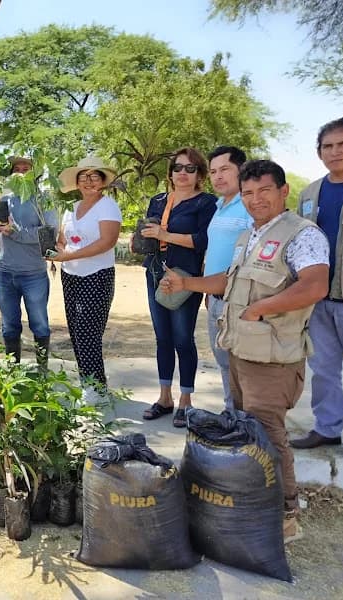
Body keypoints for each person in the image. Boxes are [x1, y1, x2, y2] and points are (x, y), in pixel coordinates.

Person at [161, 159, 329, 543]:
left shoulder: (303, 234)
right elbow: (228, 281)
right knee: (244, 430)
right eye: (249, 192)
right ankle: (254, 501)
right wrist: (187, 282)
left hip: (273, 358)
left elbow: (315, 285)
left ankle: (287, 514)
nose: (255, 200)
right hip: (240, 349)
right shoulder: (250, 235)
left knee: (268, 433)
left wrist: (260, 309)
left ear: (283, 192)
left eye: (264, 191)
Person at [290, 117, 343, 464]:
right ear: (320, 152)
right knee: (322, 368)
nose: (335, 152)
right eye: (328, 146)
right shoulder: (310, 193)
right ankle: (326, 427)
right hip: (319, 298)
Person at [140, 148, 217, 427]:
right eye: (177, 167)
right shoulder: (158, 200)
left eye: (190, 168)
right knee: (163, 338)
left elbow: (202, 240)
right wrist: (143, 239)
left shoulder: (207, 202)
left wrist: (165, 234)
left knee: (183, 338)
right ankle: (164, 397)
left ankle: (186, 400)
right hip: (154, 273)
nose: (182, 173)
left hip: (185, 275)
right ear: (170, 173)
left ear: (200, 175)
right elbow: (150, 236)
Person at [48, 156, 121, 400]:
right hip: (71, 276)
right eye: (83, 177)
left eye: (94, 176)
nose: (88, 181)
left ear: (102, 181)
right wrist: (56, 251)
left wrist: (71, 255)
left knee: (89, 332)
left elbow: (107, 241)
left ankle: (97, 389)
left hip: (96, 276)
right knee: (76, 333)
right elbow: (62, 239)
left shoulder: (108, 206)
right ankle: (87, 384)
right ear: (77, 182)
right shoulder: (71, 209)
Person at [0, 156, 55, 368]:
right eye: (16, 169)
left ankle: (42, 371)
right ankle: (13, 373)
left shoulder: (43, 200)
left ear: (34, 173)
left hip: (33, 275)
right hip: (4, 274)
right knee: (9, 326)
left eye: (26, 169)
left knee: (39, 325)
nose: (21, 173)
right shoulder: (3, 200)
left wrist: (16, 233)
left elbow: (48, 234)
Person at [204, 146, 253, 409]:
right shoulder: (219, 206)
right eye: (213, 171)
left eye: (225, 169)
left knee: (242, 365)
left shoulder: (249, 204)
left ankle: (247, 423)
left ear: (241, 170)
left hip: (239, 300)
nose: (218, 176)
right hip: (215, 298)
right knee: (223, 362)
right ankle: (230, 415)